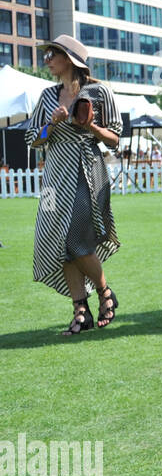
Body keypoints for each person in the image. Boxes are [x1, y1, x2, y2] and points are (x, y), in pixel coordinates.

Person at [25, 35, 122, 334]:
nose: (47, 60)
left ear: (69, 59)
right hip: (55, 177)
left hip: (87, 172)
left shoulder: (99, 92)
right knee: (57, 239)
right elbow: (33, 140)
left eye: (52, 54)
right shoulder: (47, 96)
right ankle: (81, 309)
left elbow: (116, 139)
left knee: (75, 239)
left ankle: (105, 293)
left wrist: (89, 126)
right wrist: (52, 123)